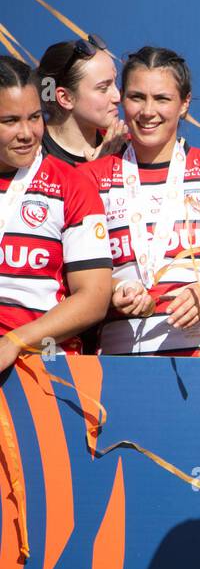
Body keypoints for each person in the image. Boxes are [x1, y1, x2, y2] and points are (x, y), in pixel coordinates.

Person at [84, 47, 200, 357]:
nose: (148, 111)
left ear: (184, 104)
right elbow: (73, 280)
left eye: (162, 99)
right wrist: (111, 295)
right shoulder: (89, 179)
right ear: (121, 98)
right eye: (137, 97)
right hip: (123, 356)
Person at [0, 56, 111, 369]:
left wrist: (15, 341)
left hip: (42, 365)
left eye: (34, 117)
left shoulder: (71, 184)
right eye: (10, 121)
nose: (27, 133)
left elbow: (94, 297)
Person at [36, 34, 127, 166]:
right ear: (65, 98)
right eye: (103, 88)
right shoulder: (31, 156)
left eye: (114, 82)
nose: (118, 97)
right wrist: (97, 172)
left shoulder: (122, 147)